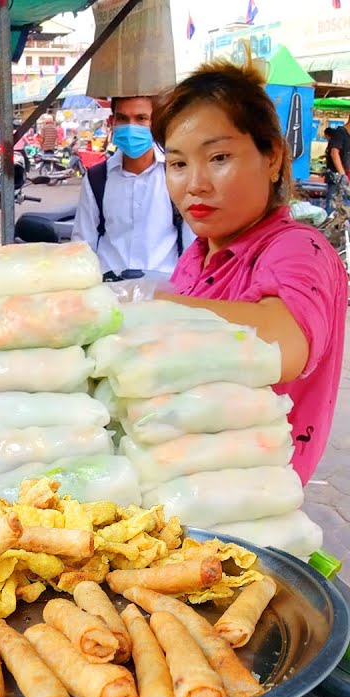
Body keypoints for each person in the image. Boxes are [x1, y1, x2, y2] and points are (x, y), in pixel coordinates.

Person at [155, 59, 347, 484]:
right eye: (178, 164)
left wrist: (151, 309)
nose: (195, 184)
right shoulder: (200, 252)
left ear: (273, 157)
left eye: (219, 157)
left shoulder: (299, 249)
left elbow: (283, 345)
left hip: (250, 504)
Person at [71, 96, 189, 280]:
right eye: (123, 119)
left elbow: (193, 246)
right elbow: (82, 246)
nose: (131, 127)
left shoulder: (176, 174)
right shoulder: (97, 178)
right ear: (112, 122)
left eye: (141, 118)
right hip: (109, 288)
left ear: (155, 124)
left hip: (163, 291)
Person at [323, 124, 350, 212]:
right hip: (336, 177)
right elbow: (334, 153)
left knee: (343, 207)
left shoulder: (347, 136)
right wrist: (342, 174)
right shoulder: (340, 133)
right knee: (332, 207)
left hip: (344, 178)